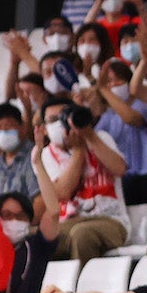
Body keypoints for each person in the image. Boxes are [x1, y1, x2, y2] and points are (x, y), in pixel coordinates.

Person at [42, 95, 129, 262]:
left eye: (62, 117)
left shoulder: (100, 137)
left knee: (82, 234)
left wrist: (88, 135)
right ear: (45, 128)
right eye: (52, 120)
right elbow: (63, 192)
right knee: (33, 237)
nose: (59, 124)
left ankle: (82, 288)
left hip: (112, 220)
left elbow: (120, 169)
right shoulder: (46, 154)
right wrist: (79, 151)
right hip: (70, 221)